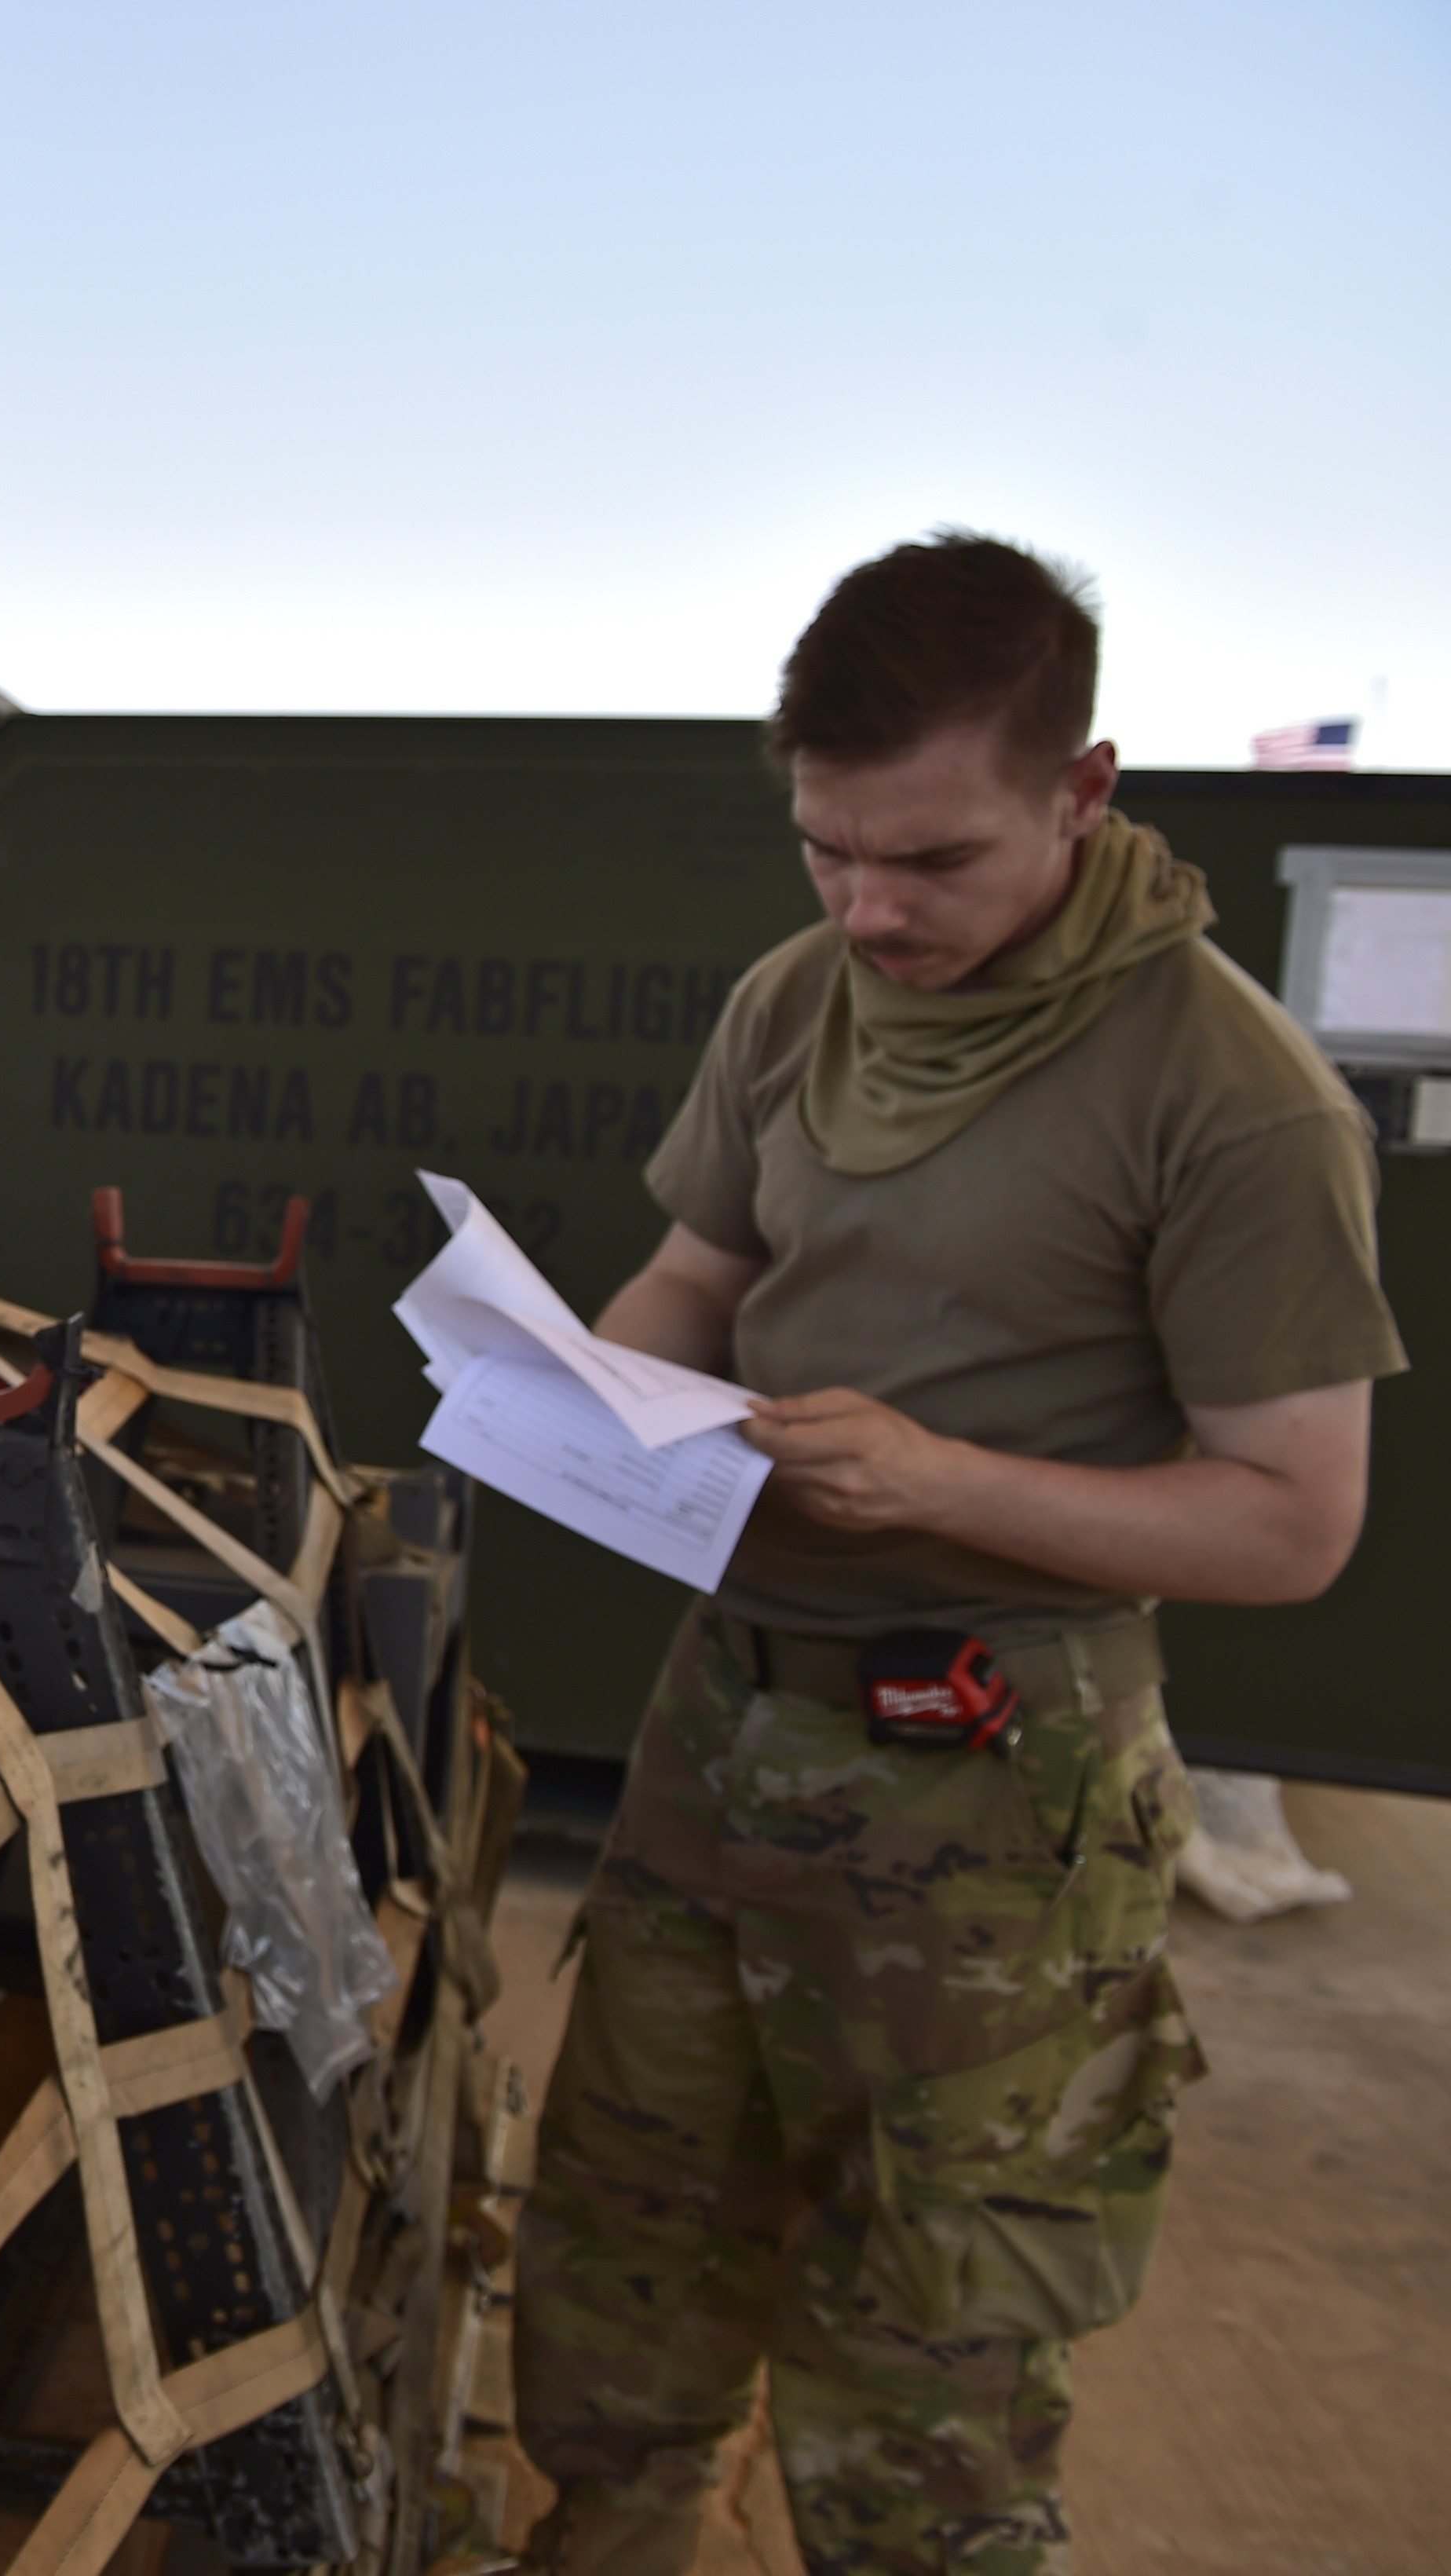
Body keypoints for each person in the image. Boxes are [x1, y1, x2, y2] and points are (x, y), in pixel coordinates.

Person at [512, 532, 1406, 2576]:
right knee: (620, 2278)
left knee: (924, 2372)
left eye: (931, 860)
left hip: (1000, 1779)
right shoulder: (794, 1000)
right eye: (828, 851)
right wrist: (581, 1387)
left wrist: (942, 1487)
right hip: (724, 1730)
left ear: (1083, 791)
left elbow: (1294, 1518)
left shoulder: (1234, 1096)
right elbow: (698, 1272)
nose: (867, 907)